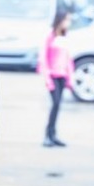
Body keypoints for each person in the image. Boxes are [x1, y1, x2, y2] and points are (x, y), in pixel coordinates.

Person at [37, 9, 73, 148]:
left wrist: (70, 77)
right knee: (55, 104)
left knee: (58, 105)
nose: (69, 23)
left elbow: (68, 59)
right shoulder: (50, 36)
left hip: (62, 76)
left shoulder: (65, 37)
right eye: (67, 20)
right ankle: (48, 135)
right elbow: (43, 59)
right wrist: (47, 78)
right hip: (52, 76)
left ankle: (53, 134)